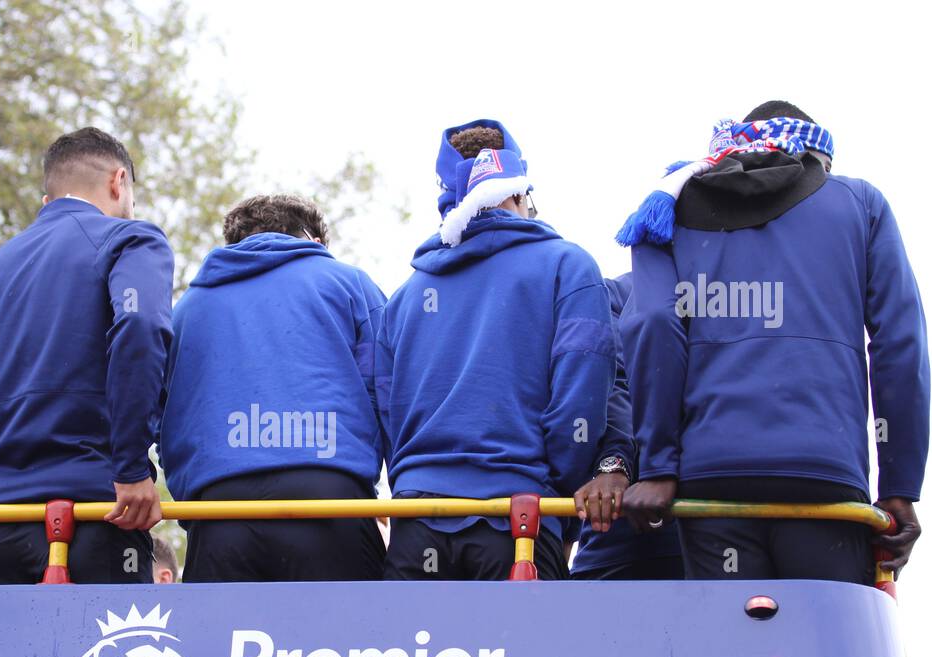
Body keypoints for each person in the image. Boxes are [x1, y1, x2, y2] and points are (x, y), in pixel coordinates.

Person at [618, 101, 927, 582]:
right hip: (824, 477)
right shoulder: (860, 204)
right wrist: (899, 486)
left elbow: (654, 325)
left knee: (728, 653)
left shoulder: (670, 207)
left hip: (712, 484)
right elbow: (900, 346)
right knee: (820, 652)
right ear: (817, 159)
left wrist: (658, 467)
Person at [378, 121, 614, 580]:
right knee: (529, 655)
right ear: (521, 190)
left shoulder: (404, 298)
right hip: (519, 521)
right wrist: (560, 495)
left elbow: (390, 418)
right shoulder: (569, 266)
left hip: (415, 529)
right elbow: (581, 400)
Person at [0, 127, 173, 585]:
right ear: (119, 183)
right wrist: (132, 465)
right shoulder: (130, 240)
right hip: (94, 512)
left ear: (47, 196)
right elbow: (140, 327)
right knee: (103, 656)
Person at [159, 195, 386, 581]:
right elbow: (390, 390)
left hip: (217, 510)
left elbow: (159, 414)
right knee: (348, 638)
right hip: (328, 498)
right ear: (313, 240)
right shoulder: (348, 284)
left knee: (219, 641)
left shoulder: (186, 308)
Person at [569, 274, 684, 580]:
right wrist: (615, 465)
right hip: (625, 531)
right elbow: (612, 384)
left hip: (716, 527)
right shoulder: (616, 294)